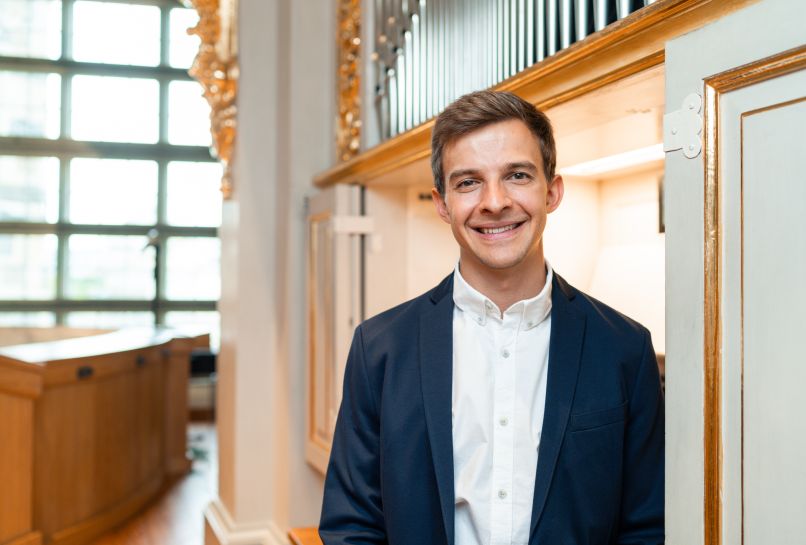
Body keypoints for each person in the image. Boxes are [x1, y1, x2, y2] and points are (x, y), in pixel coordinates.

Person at [319, 90, 664, 545]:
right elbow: (351, 524)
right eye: (468, 183)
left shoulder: (625, 348)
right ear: (443, 204)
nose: (495, 201)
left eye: (517, 175)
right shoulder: (379, 348)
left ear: (552, 191)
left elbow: (646, 527)